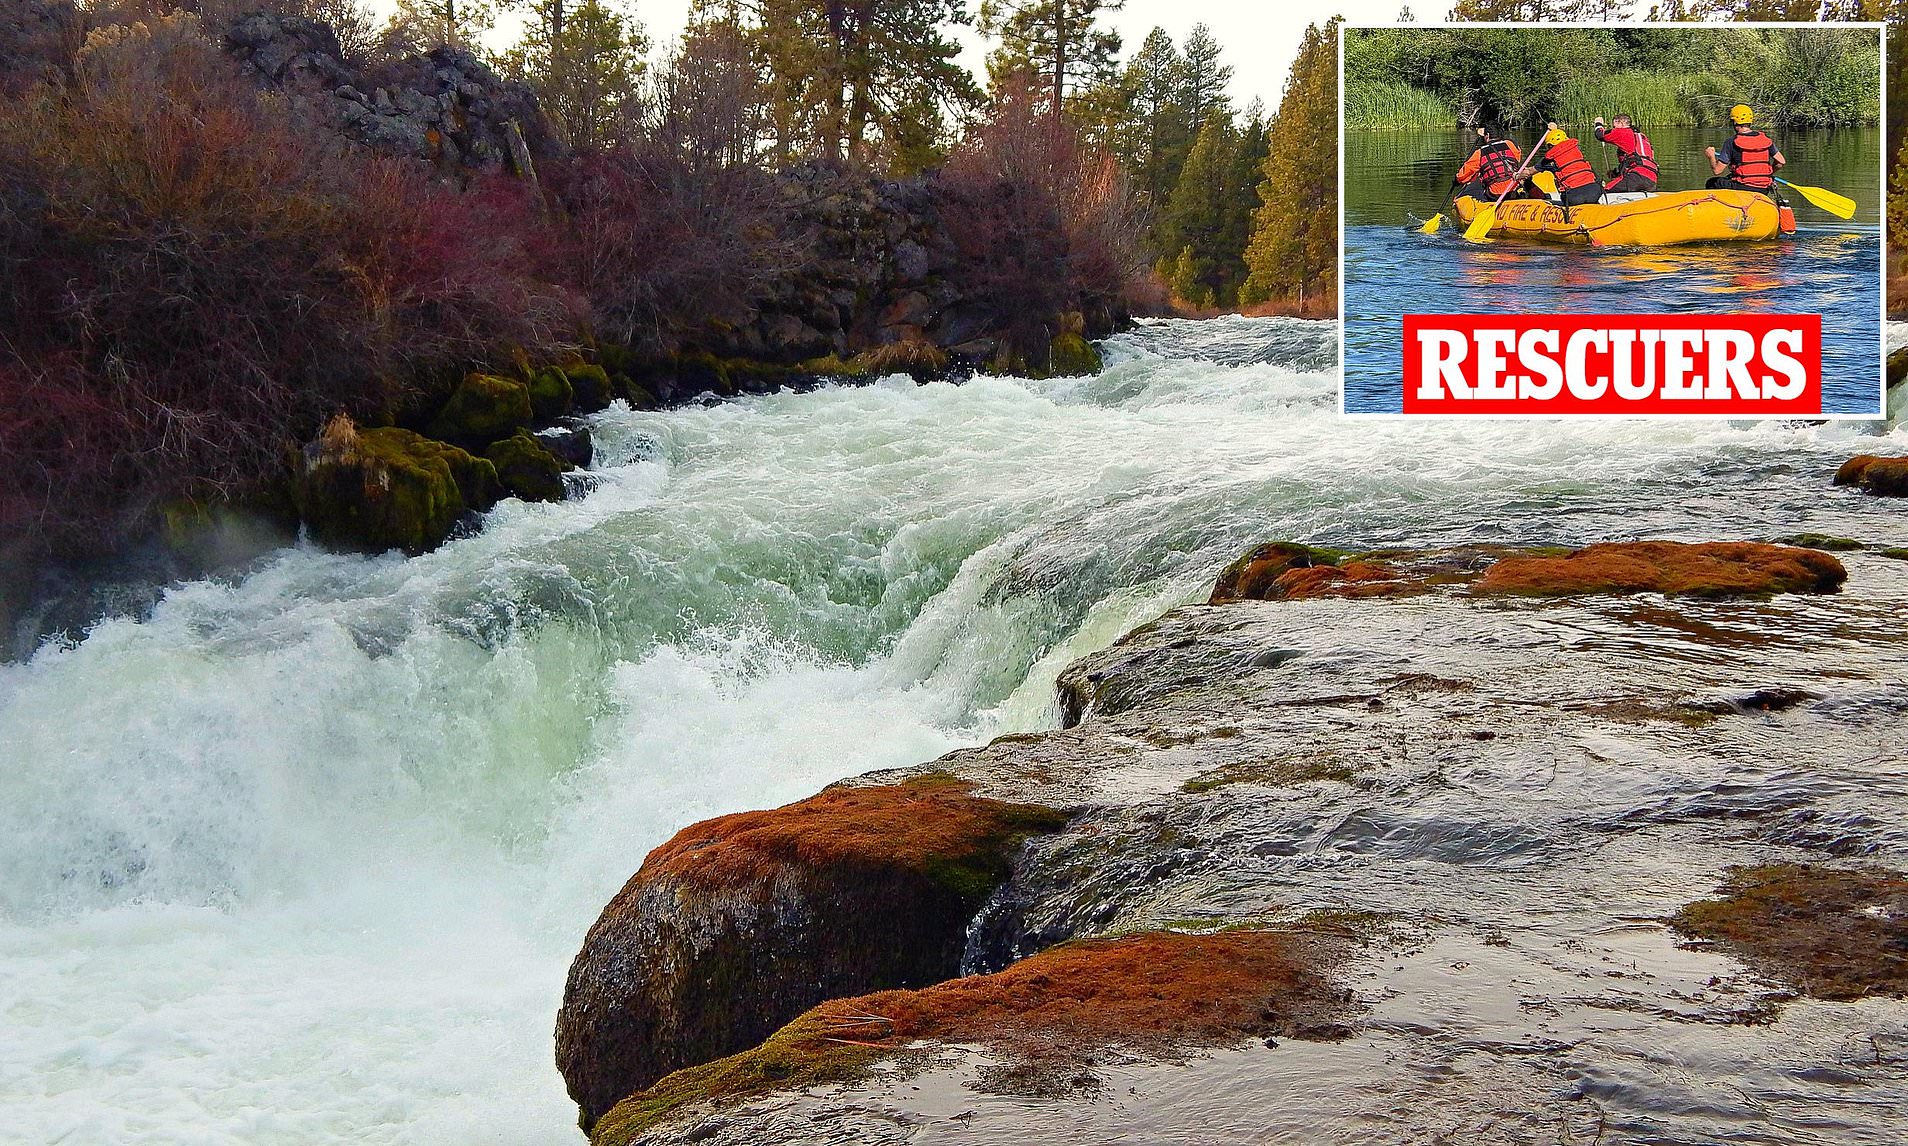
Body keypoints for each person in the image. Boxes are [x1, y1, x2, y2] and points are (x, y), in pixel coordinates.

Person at [1705, 104, 1784, 196]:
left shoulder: (1731, 142)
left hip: (1742, 186)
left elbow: (1717, 171)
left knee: (1711, 182)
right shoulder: (1765, 140)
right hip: (1763, 188)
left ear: (1734, 122)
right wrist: (1766, 174)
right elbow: (1781, 162)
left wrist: (1711, 156)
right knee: (1729, 177)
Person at [1537, 123, 1604, 210]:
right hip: (1594, 192)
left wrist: (1517, 175)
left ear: (1549, 146)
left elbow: (1528, 172)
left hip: (1573, 197)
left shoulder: (1548, 160)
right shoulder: (1576, 150)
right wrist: (1555, 130)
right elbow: (1561, 145)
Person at [1452, 124, 1528, 201]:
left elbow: (1463, 176)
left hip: (1495, 194)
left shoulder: (1479, 152)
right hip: (1514, 190)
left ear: (1487, 135)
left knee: (1477, 186)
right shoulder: (1511, 145)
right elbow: (1517, 160)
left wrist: (1456, 180)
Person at [1591, 113, 1658, 193]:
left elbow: (1600, 135)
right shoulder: (1643, 137)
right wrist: (1615, 173)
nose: (1614, 129)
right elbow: (1636, 159)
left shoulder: (1623, 132)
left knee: (1602, 192)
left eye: (1614, 126)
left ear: (1621, 123)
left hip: (1635, 177)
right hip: (1652, 179)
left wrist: (1598, 123)